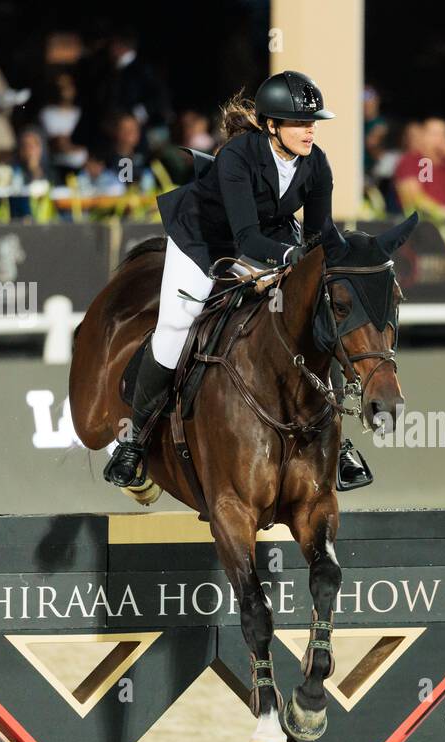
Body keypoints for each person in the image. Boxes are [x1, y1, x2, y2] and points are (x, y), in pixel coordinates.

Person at [105, 71, 370, 492]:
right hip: (204, 240)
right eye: (300, 123)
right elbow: (245, 239)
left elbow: (319, 234)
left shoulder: (316, 163)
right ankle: (134, 442)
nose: (310, 130)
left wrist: (351, 254)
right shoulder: (237, 157)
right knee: (177, 324)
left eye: (312, 122)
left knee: (318, 315)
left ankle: (339, 444)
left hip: (273, 237)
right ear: (271, 126)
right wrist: (291, 258)